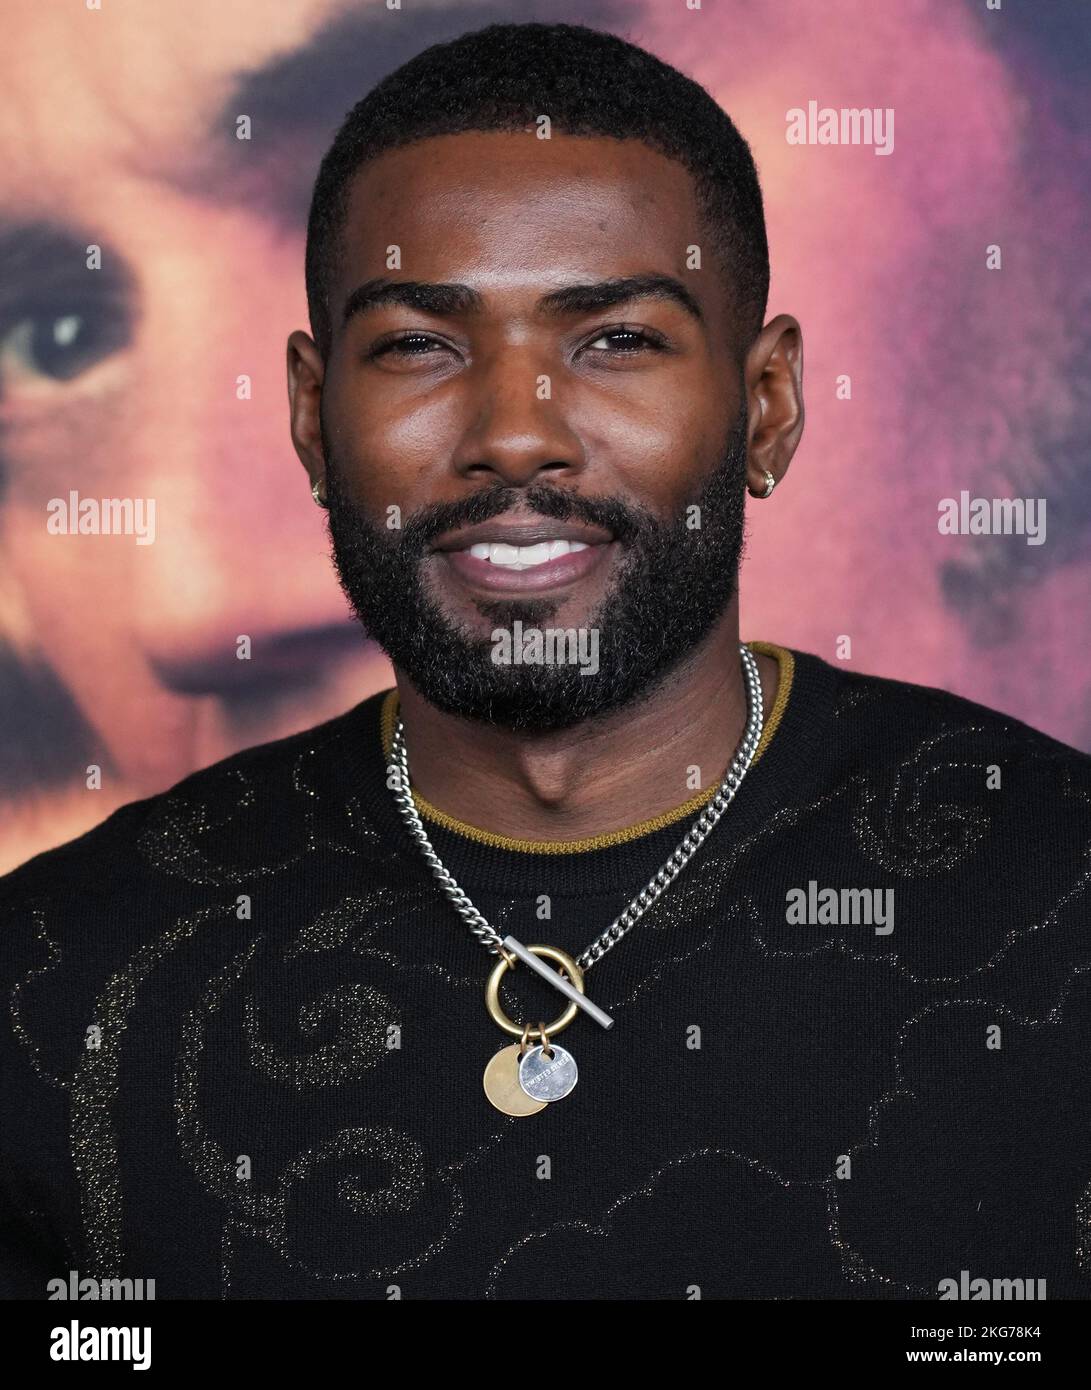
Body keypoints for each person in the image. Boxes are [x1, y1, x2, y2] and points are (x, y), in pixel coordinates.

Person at [1, 21, 1088, 1301]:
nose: (513, 441)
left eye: (613, 340)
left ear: (768, 406)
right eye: (416, 344)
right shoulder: (59, 984)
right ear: (311, 417)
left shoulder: (1053, 888)